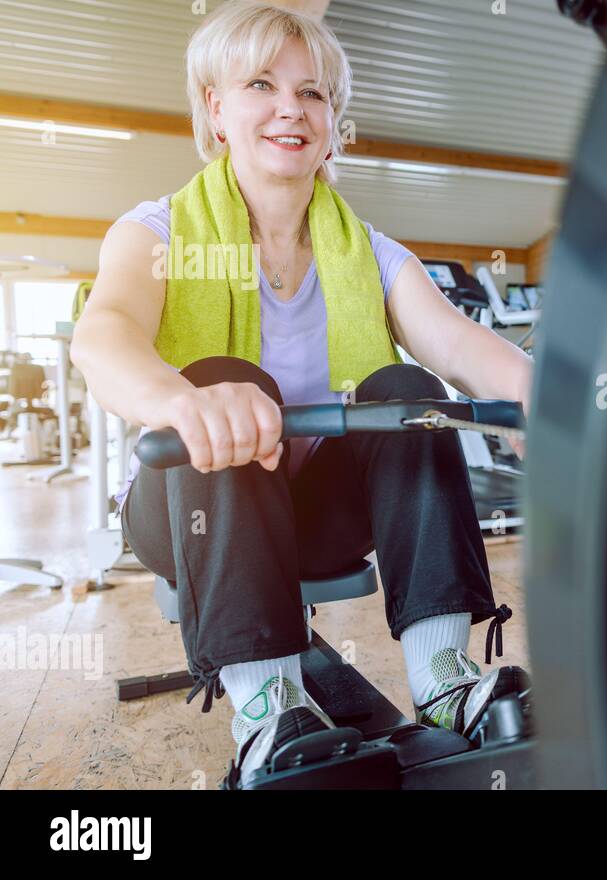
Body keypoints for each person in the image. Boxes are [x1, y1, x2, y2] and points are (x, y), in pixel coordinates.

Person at [70, 0, 534, 787]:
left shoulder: (372, 254)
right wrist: (184, 402)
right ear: (216, 109)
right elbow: (103, 333)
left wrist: (561, 410)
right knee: (226, 381)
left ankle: (446, 679)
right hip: (189, 513)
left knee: (408, 389)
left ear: (332, 121)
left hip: (319, 519)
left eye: (314, 92)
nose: (292, 107)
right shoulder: (158, 232)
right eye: (260, 84)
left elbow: (463, 347)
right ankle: (264, 712)